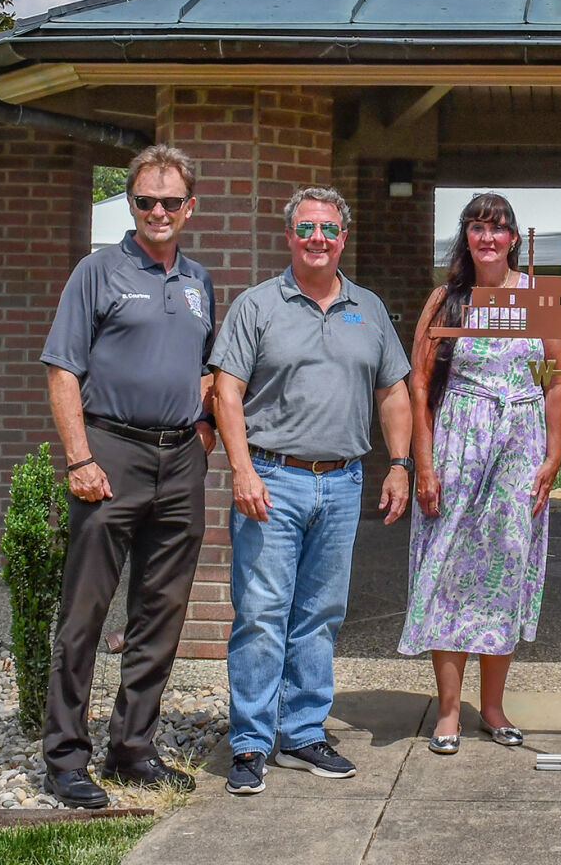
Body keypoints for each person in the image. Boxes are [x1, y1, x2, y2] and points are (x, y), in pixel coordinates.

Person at [212, 186, 413, 797]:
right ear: (289, 237)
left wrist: (399, 464)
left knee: (321, 614)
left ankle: (301, 733)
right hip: (271, 478)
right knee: (262, 613)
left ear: (343, 238)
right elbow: (225, 392)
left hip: (343, 482)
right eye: (306, 230)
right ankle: (249, 742)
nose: (317, 240)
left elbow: (393, 393)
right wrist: (242, 470)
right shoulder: (257, 305)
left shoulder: (368, 309)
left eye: (328, 229)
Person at [39, 144, 217, 809]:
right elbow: (62, 368)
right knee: (83, 612)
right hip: (110, 453)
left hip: (180, 463)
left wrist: (202, 429)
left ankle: (133, 749)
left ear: (190, 207)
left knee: (159, 612)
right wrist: (80, 457)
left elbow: (205, 368)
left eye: (171, 201)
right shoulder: (97, 272)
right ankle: (64, 759)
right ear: (130, 203)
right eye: (146, 201)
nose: (159, 211)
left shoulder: (199, 280)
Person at [400, 193, 561, 754]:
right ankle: (448, 711)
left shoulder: (538, 298)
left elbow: (557, 378)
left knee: (506, 568)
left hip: (519, 445)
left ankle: (492, 707)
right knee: (448, 570)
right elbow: (420, 385)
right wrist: (422, 463)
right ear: (466, 236)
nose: (487, 238)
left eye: (497, 229)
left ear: (513, 238)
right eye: (477, 228)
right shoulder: (445, 300)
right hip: (457, 443)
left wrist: (553, 454)